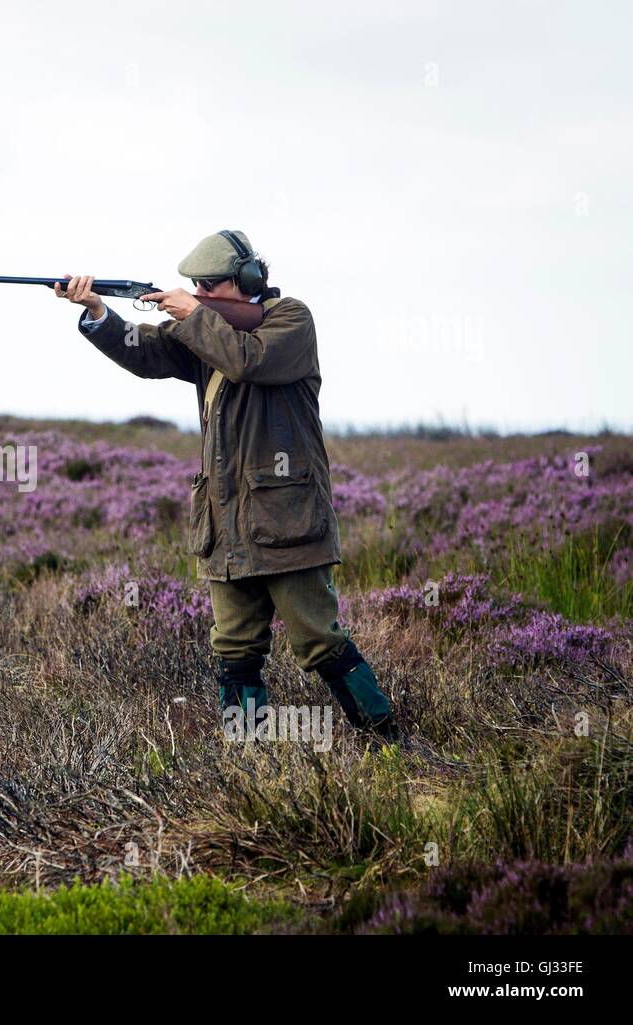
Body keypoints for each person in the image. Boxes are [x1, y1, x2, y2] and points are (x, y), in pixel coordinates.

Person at [56, 230, 395, 738]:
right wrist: (99, 312)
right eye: (196, 286)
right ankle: (247, 757)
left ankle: (386, 738)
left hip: (288, 522)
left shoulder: (290, 320)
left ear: (250, 279)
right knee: (234, 648)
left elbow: (248, 359)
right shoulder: (205, 331)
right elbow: (145, 353)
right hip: (225, 523)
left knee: (318, 641)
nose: (201, 292)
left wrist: (193, 315)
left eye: (211, 284)